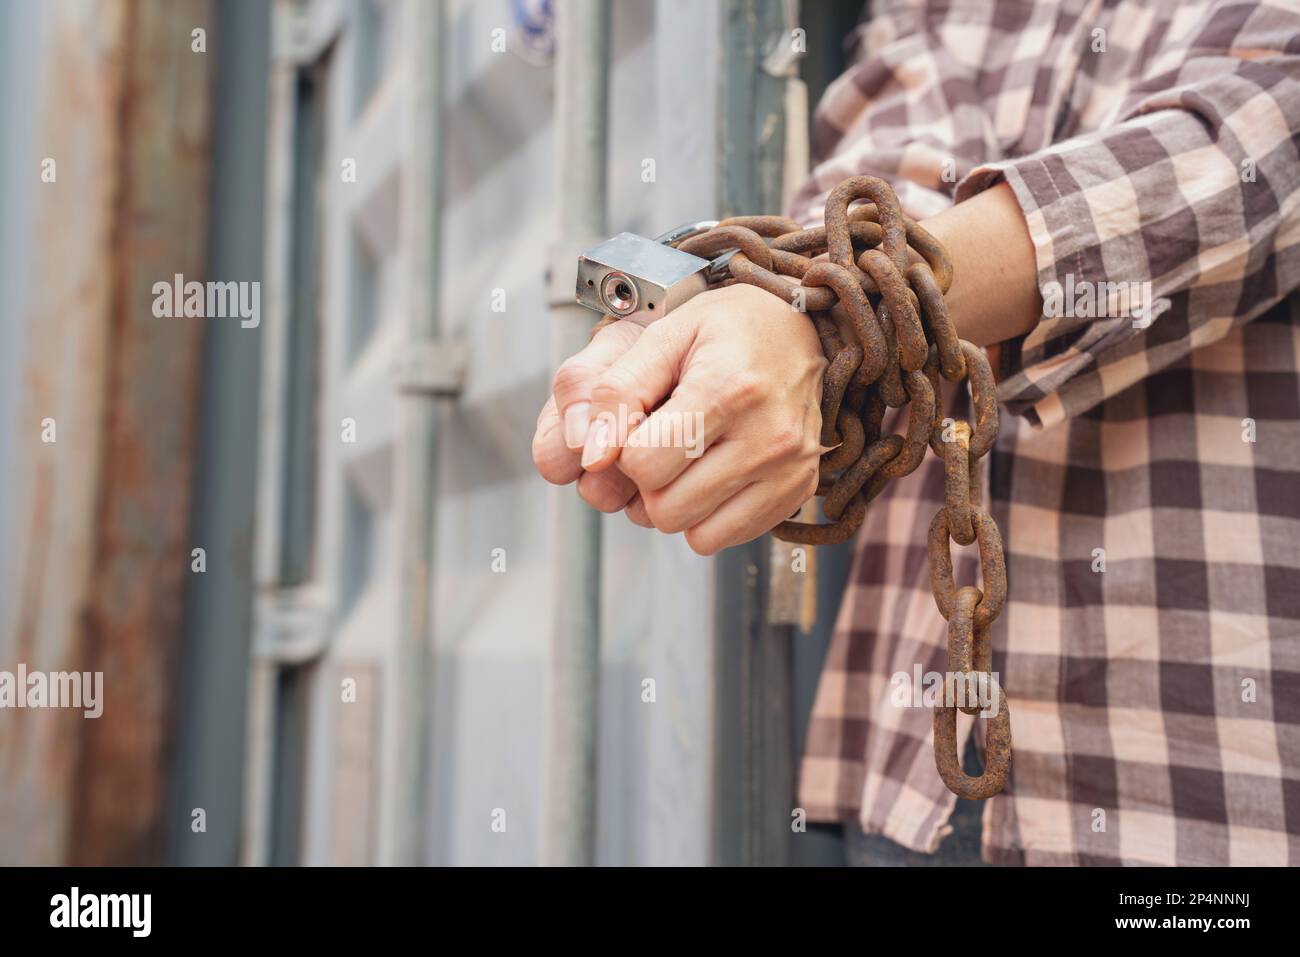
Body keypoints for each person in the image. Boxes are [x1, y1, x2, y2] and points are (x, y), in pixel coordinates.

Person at [533, 0, 1300, 866]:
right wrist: (718, 321)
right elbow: (875, 187)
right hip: (911, 784)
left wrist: (821, 322)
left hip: (1200, 780)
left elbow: (1255, 149)